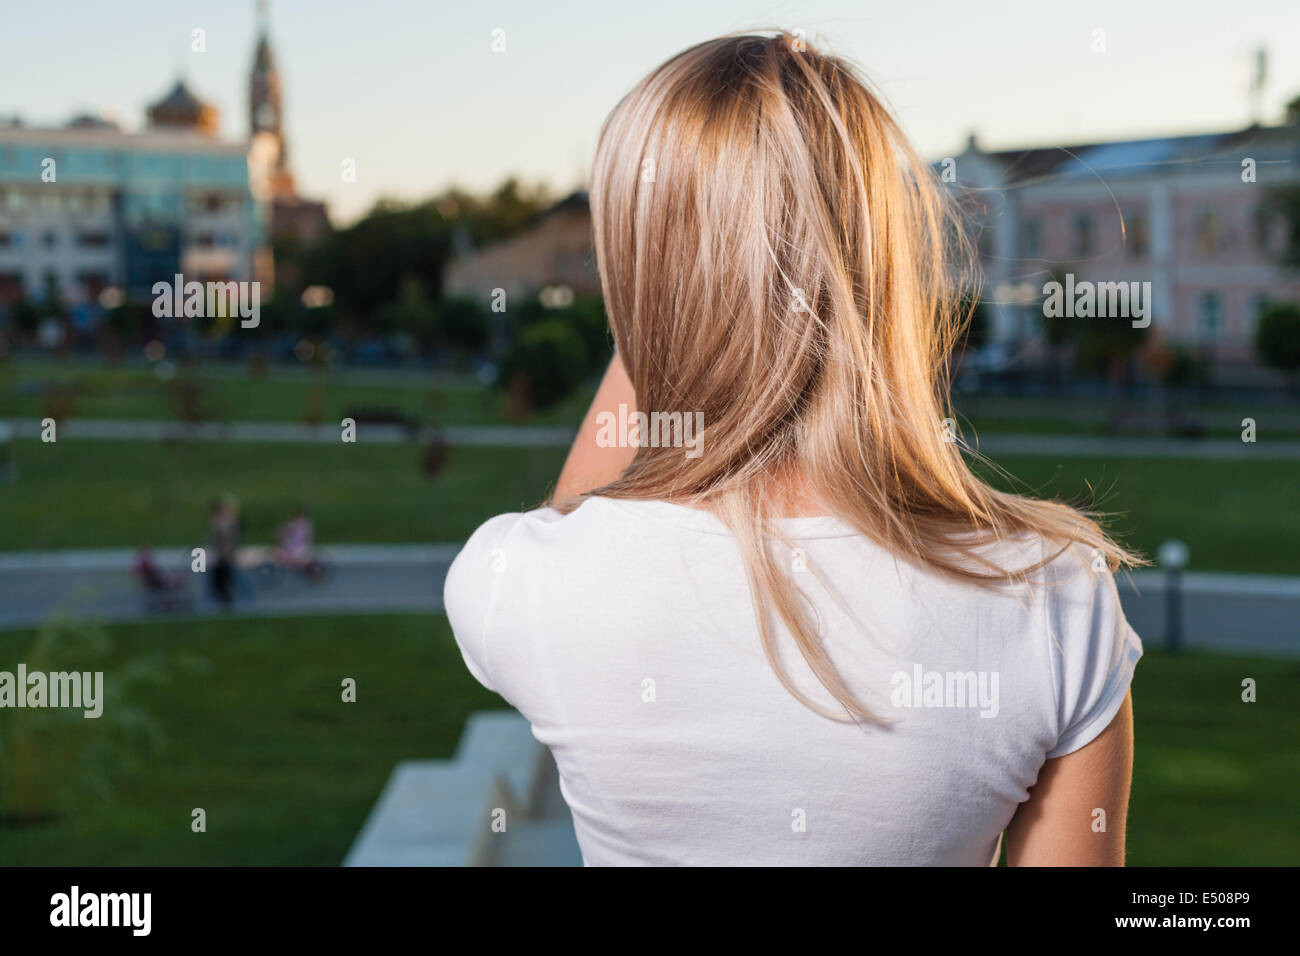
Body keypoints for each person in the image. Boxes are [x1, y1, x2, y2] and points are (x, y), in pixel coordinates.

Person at [444, 33, 1144, 866]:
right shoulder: (1051, 595)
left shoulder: (517, 582)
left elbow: (581, 515)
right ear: (884, 259)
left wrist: (686, 287)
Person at [207, 495, 240, 607]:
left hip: (224, 556)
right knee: (221, 579)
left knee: (224, 579)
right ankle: (223, 599)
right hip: (221, 556)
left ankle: (226, 600)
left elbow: (225, 540)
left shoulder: (225, 523)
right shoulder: (222, 522)